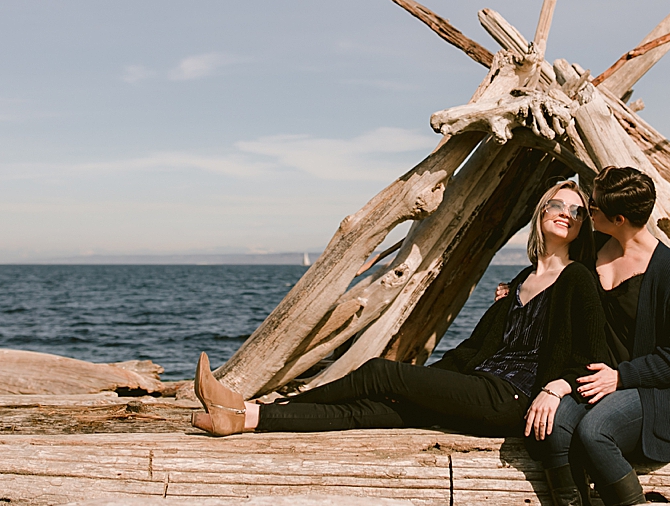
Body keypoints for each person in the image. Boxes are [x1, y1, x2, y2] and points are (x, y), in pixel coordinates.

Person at [190, 180, 613, 455]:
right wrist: (431, 382)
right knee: (375, 408)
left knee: (380, 373)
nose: (565, 213)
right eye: (556, 205)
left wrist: (556, 390)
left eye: (577, 212)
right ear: (540, 213)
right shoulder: (520, 280)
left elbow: (591, 356)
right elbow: (474, 350)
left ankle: (248, 403)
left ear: (582, 227)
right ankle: (247, 419)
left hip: (513, 399)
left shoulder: (577, 278)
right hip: (481, 387)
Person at [525, 166, 670, 506]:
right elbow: (557, 275)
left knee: (594, 431)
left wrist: (620, 377)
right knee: (553, 428)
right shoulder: (594, 251)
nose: (588, 211)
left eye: (594, 208)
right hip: (594, 379)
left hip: (653, 390)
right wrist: (516, 291)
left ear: (618, 218)